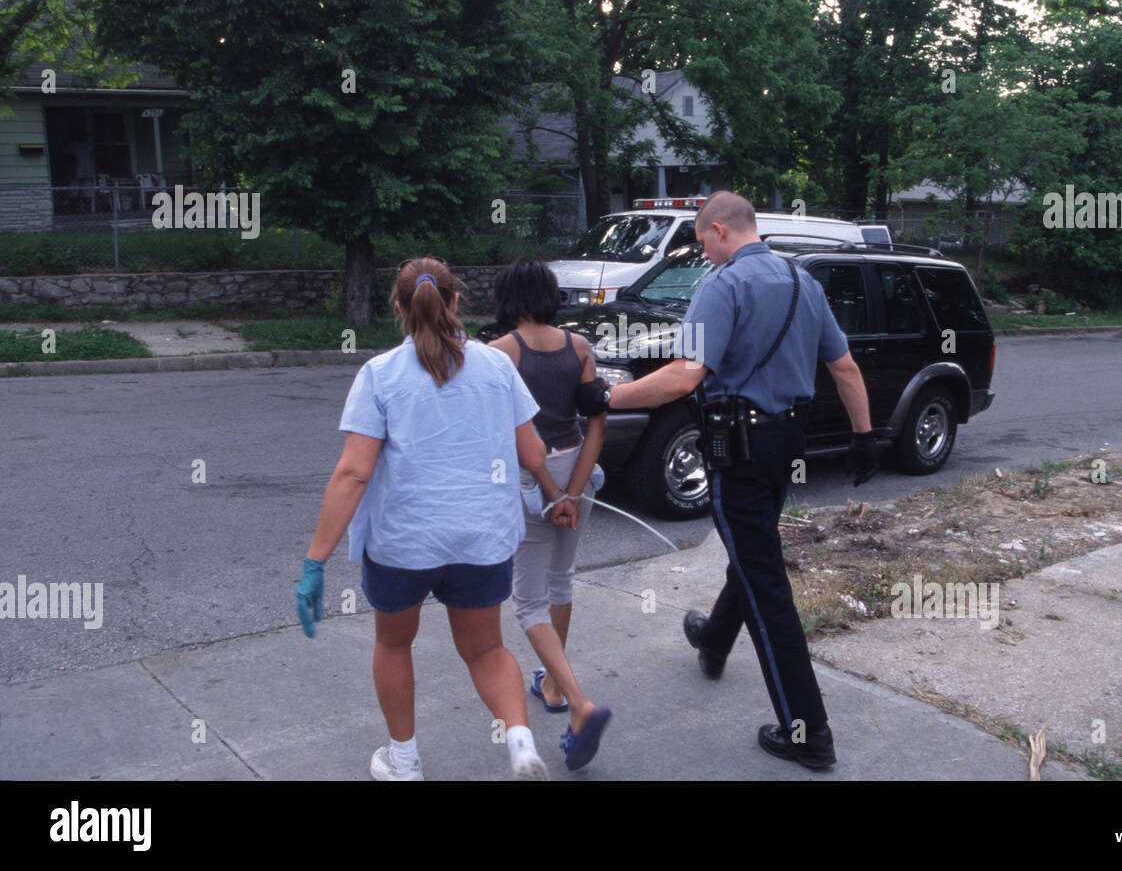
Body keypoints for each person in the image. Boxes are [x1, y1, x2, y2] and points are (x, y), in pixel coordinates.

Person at [576, 191, 879, 770]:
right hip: (789, 440)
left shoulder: (723, 285)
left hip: (739, 447)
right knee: (754, 547)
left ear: (719, 231)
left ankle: (807, 732)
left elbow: (685, 375)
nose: (701, 251)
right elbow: (844, 366)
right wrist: (864, 437)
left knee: (767, 584)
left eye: (700, 238)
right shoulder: (803, 283)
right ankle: (715, 638)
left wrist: (609, 395)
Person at [295, 256, 575, 781]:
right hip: (482, 538)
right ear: (454, 301)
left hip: (404, 544)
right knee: (486, 648)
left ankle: (404, 761)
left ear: (400, 308)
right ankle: (519, 745)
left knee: (394, 643)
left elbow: (353, 474)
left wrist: (315, 561)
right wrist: (558, 494)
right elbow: (532, 450)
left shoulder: (379, 375)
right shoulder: (496, 366)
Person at [487, 259, 613, 770]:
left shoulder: (500, 355)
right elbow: (597, 426)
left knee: (527, 601)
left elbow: (512, 437)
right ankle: (554, 685)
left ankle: (577, 703)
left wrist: (550, 494)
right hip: (574, 464)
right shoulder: (580, 349)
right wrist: (574, 492)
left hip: (530, 477)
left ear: (510, 300)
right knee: (561, 582)